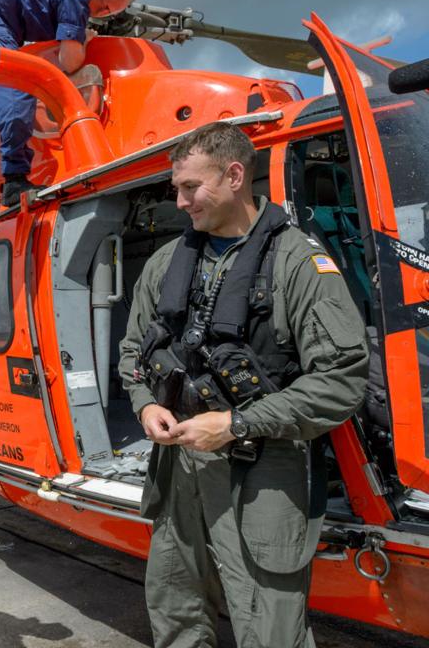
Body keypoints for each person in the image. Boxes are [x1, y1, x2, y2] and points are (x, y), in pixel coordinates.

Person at [117, 122, 369, 647]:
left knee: (270, 626)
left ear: (235, 176)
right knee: (175, 605)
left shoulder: (297, 263)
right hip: (178, 462)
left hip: (263, 466)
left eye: (191, 187)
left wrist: (235, 422)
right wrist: (145, 406)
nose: (180, 202)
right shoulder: (168, 262)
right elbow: (133, 350)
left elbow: (342, 381)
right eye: (176, 189)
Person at [0, 0, 132, 223]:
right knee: (19, 90)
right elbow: (69, 62)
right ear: (103, 9)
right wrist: (83, 39)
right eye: (106, 12)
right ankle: (15, 179)